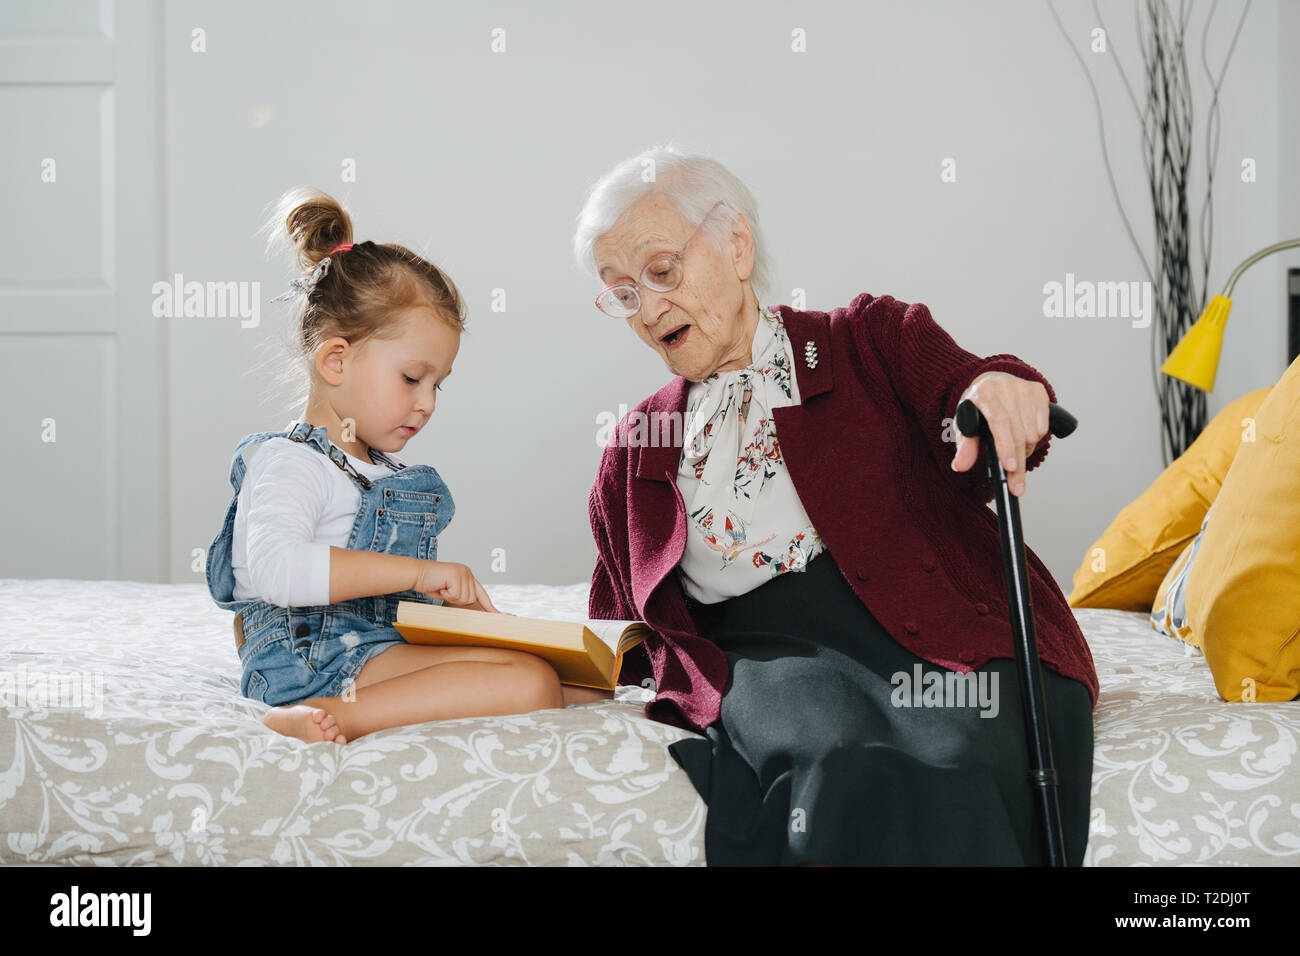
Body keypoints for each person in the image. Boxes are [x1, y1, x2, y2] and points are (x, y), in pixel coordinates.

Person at [574, 145, 1097, 865]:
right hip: (767, 658)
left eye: (661, 271)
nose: (648, 308)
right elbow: (618, 623)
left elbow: (967, 393)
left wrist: (997, 391)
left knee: (955, 755)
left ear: (736, 244)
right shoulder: (637, 444)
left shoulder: (866, 342)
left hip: (933, 622)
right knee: (843, 764)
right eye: (623, 292)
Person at [206, 187, 607, 745]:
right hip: (308, 663)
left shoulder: (381, 475)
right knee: (527, 685)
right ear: (337, 360)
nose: (427, 403)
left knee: (570, 685)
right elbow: (276, 570)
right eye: (411, 378)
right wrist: (418, 574)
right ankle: (327, 715)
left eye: (438, 385)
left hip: (372, 649)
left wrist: (475, 626)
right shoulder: (290, 463)